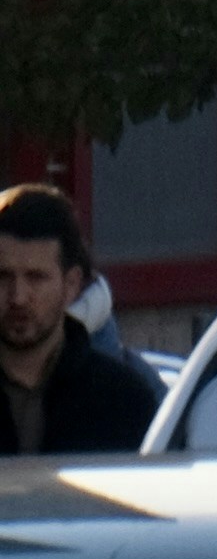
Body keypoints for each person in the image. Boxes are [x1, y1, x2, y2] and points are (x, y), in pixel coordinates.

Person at [0, 188, 155, 459]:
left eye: (36, 278)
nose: (18, 297)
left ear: (71, 284)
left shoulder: (123, 399)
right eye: (3, 277)